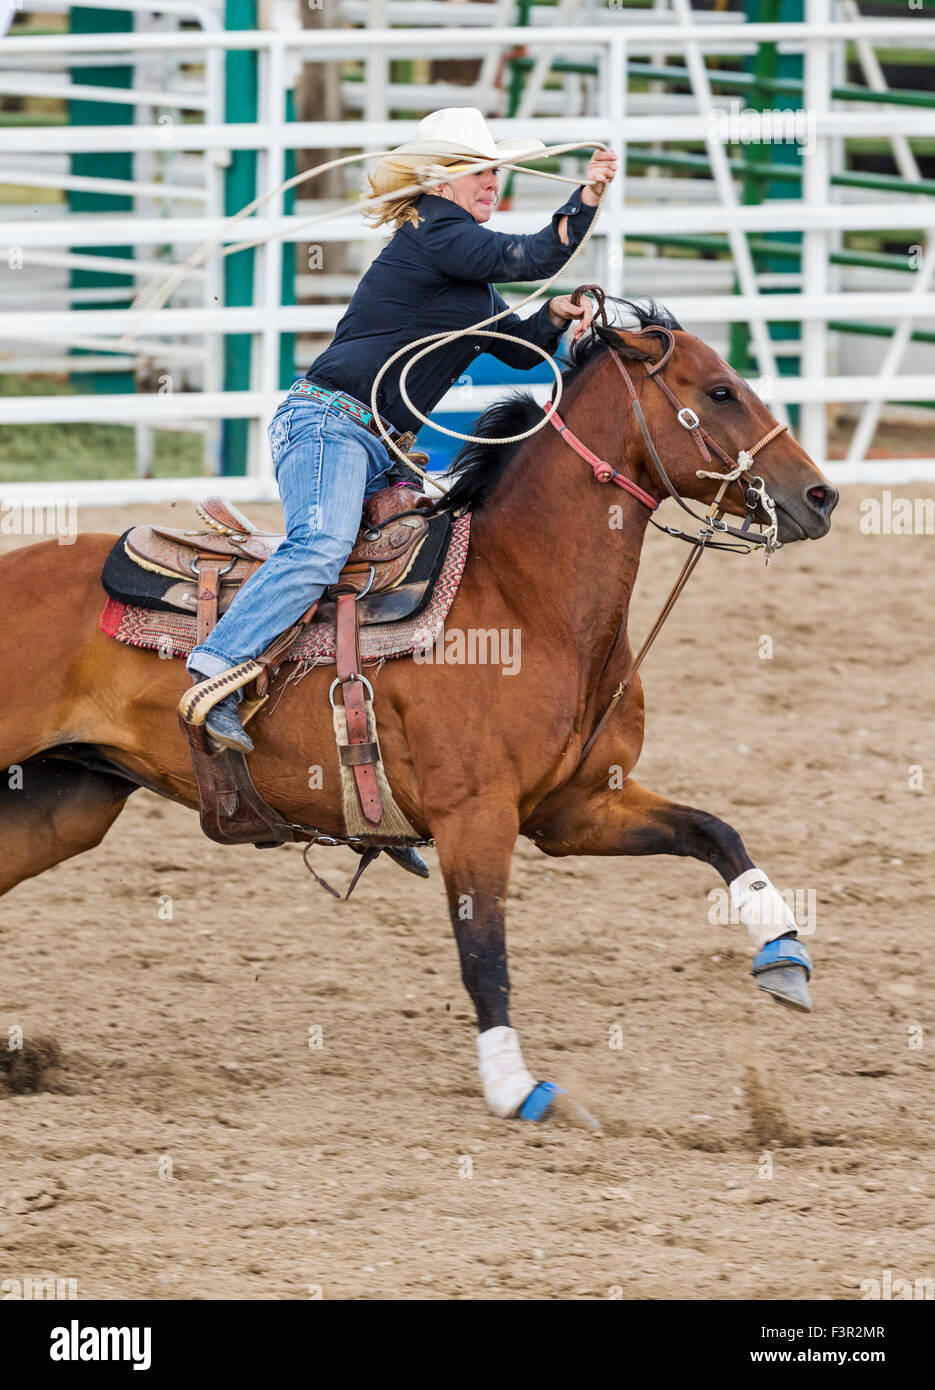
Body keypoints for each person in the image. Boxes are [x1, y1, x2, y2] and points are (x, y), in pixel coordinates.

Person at [187, 108, 616, 755]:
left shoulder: (456, 264)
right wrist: (583, 199)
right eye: (479, 170)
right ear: (440, 180)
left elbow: (519, 348)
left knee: (428, 561)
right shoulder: (434, 229)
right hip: (330, 423)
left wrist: (553, 316)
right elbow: (532, 253)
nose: (491, 182)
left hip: (378, 446)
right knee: (321, 546)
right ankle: (214, 667)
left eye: (496, 171)